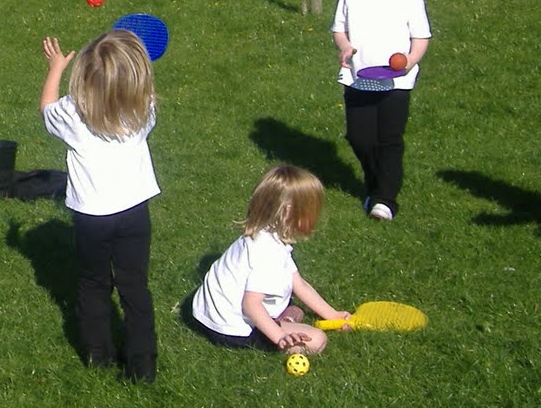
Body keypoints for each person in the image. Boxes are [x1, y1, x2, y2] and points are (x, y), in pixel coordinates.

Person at [40, 29, 160, 382]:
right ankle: (143, 367)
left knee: (93, 284)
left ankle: (99, 357)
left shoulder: (73, 115)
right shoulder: (144, 110)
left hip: (92, 217)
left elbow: (45, 107)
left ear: (84, 78)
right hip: (135, 212)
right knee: (134, 286)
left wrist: (55, 68)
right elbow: (142, 90)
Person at [186, 166, 350, 355]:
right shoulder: (267, 253)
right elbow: (251, 305)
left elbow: (299, 284)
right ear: (288, 212)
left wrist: (333, 315)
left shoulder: (267, 235)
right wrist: (280, 337)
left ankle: (284, 320)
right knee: (317, 339)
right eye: (312, 209)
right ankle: (280, 326)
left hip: (208, 314)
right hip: (230, 328)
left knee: (295, 309)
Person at [331, 0, 431, 221]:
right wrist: (345, 46)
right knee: (359, 138)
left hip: (396, 83)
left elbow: (421, 37)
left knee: (389, 139)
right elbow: (339, 28)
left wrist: (411, 60)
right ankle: (376, 185)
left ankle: (385, 199)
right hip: (359, 78)